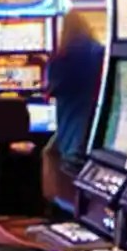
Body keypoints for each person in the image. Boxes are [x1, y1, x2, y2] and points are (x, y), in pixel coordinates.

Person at [42, 11, 105, 200]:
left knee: (50, 153)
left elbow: (50, 92)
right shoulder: (99, 51)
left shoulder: (61, 57)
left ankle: (56, 201)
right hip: (96, 122)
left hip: (71, 124)